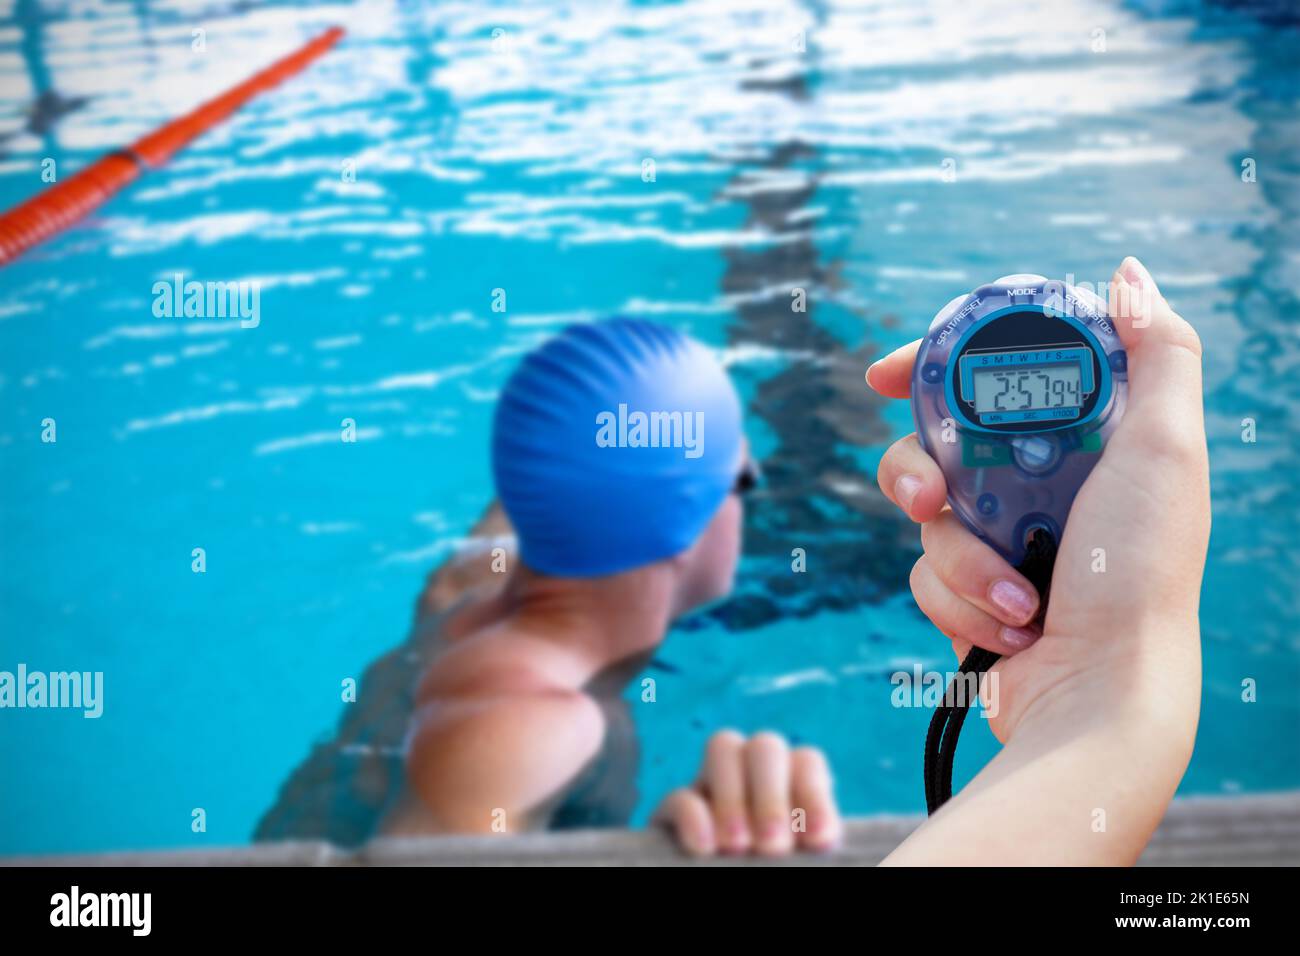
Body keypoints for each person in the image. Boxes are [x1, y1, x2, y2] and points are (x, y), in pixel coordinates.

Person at [380, 317, 843, 856]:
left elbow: (559, 449)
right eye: (741, 481)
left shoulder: (472, 579)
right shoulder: (527, 729)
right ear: (680, 528)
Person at [872, 257, 1211, 864]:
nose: (1030, 450)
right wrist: (1099, 696)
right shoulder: (1088, 359)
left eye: (1045, 388)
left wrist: (1099, 683)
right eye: (1008, 392)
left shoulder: (955, 367)